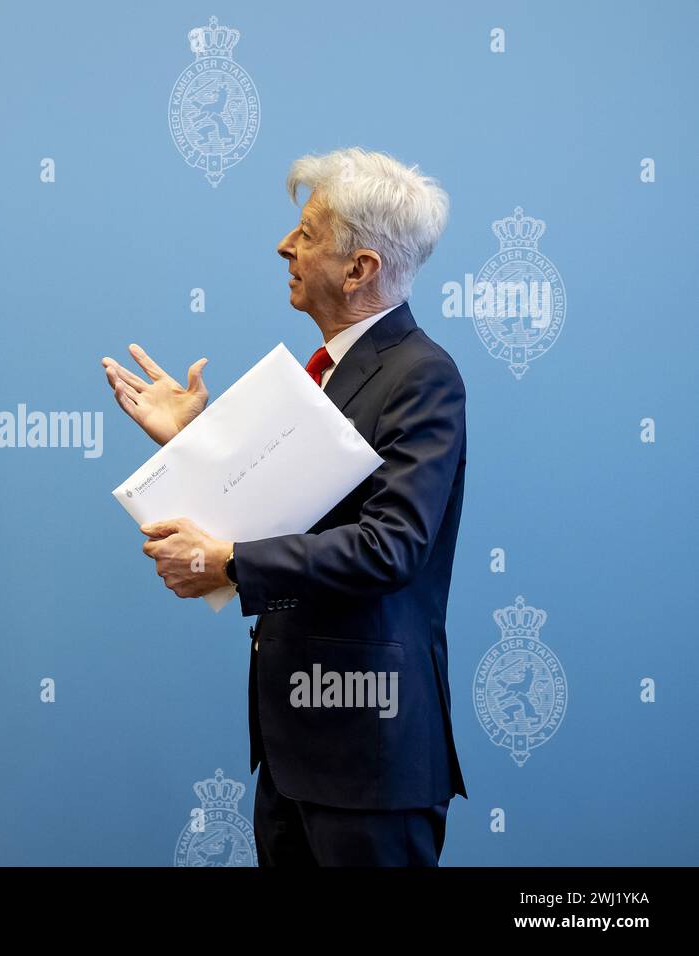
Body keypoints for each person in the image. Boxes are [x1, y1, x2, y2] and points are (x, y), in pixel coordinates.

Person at [102, 147, 468, 866]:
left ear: (359, 268)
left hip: (369, 755)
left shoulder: (421, 375)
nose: (284, 245)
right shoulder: (334, 374)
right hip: (296, 749)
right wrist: (196, 443)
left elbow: (390, 545)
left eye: (306, 232)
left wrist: (227, 561)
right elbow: (297, 508)